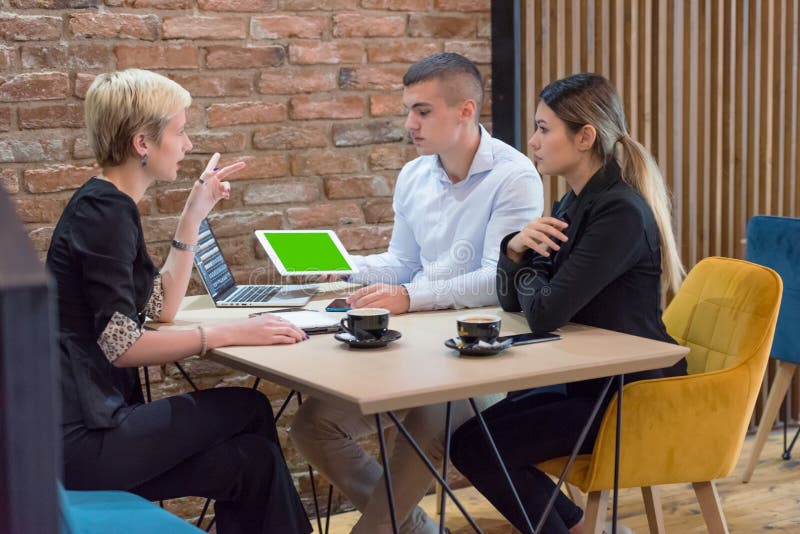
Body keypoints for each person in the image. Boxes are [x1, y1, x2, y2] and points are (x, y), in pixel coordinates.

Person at [47, 69, 311, 534]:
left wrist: (194, 213)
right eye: (180, 131)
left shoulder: (107, 205)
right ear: (142, 143)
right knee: (249, 409)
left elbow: (161, 308)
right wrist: (229, 333)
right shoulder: (105, 214)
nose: (187, 145)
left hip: (92, 427)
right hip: (83, 440)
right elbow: (122, 346)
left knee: (254, 463)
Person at [290, 53, 543, 534]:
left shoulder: (514, 177)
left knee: (427, 420)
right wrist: (346, 269)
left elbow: (497, 280)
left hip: (483, 358)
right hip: (416, 350)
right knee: (312, 426)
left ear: (465, 111)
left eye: (423, 111)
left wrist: (408, 297)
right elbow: (403, 263)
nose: (410, 124)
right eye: (409, 110)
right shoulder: (414, 175)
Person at [449, 73, 688, 534]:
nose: (533, 141)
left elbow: (544, 312)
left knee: (478, 447)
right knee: (471, 442)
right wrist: (514, 249)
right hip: (587, 383)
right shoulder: (571, 204)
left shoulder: (619, 212)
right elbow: (514, 301)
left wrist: (529, 270)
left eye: (544, 129)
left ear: (584, 137)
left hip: (631, 397)